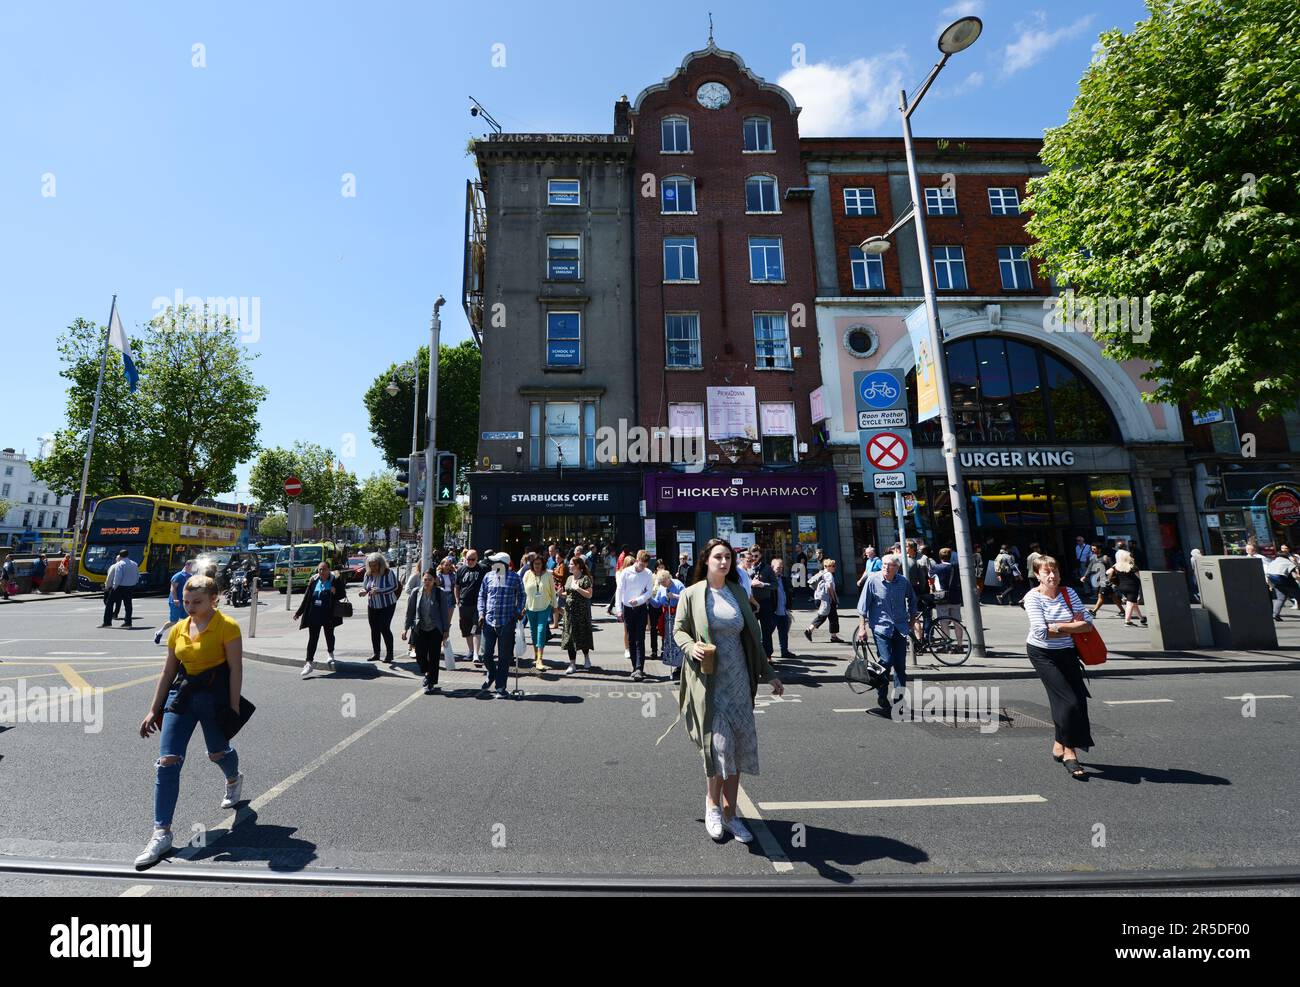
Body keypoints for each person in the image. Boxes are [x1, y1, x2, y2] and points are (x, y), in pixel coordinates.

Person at [672, 538, 784, 843]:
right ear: (706, 560)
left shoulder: (736, 592)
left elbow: (753, 637)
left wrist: (770, 674)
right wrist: (689, 645)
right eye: (718, 557)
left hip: (739, 682)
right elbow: (678, 629)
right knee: (719, 748)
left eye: (728, 558)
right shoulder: (692, 594)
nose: (724, 562)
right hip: (710, 683)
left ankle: (731, 814)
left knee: (738, 749)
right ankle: (712, 807)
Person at [134, 575, 245, 868]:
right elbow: (168, 671)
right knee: (167, 760)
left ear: (213, 599)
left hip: (214, 698)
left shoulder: (227, 627)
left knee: (217, 752)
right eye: (186, 601)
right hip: (182, 697)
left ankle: (233, 778)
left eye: (197, 602)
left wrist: (233, 707)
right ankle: (162, 832)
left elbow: (236, 668)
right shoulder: (178, 629)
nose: (190, 607)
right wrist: (153, 709)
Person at [1022, 556, 1096, 779]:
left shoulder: (1068, 593)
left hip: (1067, 652)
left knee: (1077, 699)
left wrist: (1058, 626)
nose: (1052, 576)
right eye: (1046, 572)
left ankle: (1058, 741)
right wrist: (1073, 626)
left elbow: (1088, 623)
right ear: (1037, 575)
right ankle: (1069, 752)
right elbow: (1040, 632)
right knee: (1068, 701)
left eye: (1054, 571)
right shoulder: (1032, 598)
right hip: (1042, 653)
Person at [857, 554, 917, 711]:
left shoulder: (903, 582)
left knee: (900, 667)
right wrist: (862, 628)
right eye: (884, 564)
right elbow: (862, 607)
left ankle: (899, 700)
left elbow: (912, 601)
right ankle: (881, 694)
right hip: (880, 629)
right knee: (886, 661)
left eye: (889, 565)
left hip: (900, 629)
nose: (885, 567)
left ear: (896, 567)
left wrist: (911, 621)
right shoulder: (872, 580)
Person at [478, 552, 526, 697]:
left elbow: (522, 594)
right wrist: (481, 613)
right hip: (489, 621)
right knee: (486, 655)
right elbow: (482, 595)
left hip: (507, 622)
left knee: (504, 657)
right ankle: (491, 673)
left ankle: (500, 687)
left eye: (495, 562)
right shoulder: (488, 576)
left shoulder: (514, 577)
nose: (492, 565)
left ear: (504, 564)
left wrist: (518, 610)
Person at [293, 561, 348, 677]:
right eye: (319, 569)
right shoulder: (313, 581)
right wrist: (299, 613)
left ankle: (330, 653)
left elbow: (342, 594)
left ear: (329, 570)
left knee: (329, 635)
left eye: (324, 569)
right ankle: (308, 663)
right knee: (312, 639)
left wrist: (335, 591)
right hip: (314, 614)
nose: (321, 572)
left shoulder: (335, 580)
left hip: (328, 615)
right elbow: (307, 598)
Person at [403, 568, 450, 694]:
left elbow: (444, 613)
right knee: (420, 655)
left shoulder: (440, 593)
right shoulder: (415, 592)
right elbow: (410, 612)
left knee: (434, 657)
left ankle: (430, 682)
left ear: (434, 580)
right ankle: (426, 672)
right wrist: (405, 629)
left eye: (430, 579)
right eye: (425, 579)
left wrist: (446, 630)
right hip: (420, 628)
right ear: (422, 580)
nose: (427, 582)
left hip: (436, 629)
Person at [616, 550, 655, 681]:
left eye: (645, 565)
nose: (643, 567)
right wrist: (619, 610)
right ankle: (634, 667)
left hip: (641, 608)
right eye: (641, 564)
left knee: (640, 638)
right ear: (637, 560)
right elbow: (619, 591)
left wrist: (638, 600)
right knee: (631, 639)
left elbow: (649, 592)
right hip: (627, 608)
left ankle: (639, 668)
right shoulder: (626, 572)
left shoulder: (648, 573)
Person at [359, 552, 400, 663]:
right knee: (374, 629)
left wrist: (379, 591)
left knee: (384, 628)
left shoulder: (388, 572)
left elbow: (395, 586)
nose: (373, 567)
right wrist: (363, 592)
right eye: (371, 565)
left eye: (375, 565)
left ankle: (389, 654)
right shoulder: (367, 574)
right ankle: (376, 653)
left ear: (380, 564)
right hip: (372, 605)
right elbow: (366, 587)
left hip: (387, 604)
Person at [453, 549, 490, 665]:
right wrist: (457, 600)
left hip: (478, 604)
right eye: (468, 559)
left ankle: (475, 654)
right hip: (464, 604)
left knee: (476, 628)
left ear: (477, 558)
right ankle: (471, 651)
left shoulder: (483, 569)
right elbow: (457, 586)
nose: (470, 562)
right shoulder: (461, 570)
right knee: (466, 629)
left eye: (472, 559)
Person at [561, 556, 595, 673]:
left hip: (581, 613)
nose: (569, 566)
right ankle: (572, 664)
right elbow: (568, 593)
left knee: (582, 635)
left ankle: (586, 658)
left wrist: (578, 588)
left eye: (571, 564)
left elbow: (589, 595)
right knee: (570, 637)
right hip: (569, 613)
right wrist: (561, 594)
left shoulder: (585, 578)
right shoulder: (569, 578)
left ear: (578, 566)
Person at [522, 553, 556, 671]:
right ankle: (536, 656)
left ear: (543, 564)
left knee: (541, 631)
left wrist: (555, 606)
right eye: (535, 564)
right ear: (531, 564)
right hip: (530, 607)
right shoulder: (527, 574)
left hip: (544, 606)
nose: (537, 566)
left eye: (539, 564)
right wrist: (522, 606)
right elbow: (522, 591)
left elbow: (553, 591)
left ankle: (540, 659)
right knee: (533, 631)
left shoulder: (548, 575)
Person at [652, 568, 686, 680]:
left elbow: (686, 598)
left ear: (668, 578)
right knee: (669, 641)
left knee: (678, 640)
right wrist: (649, 599)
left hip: (678, 615)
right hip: (667, 617)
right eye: (661, 583)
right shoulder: (662, 588)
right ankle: (675, 665)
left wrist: (675, 596)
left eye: (664, 582)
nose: (663, 585)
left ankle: (681, 666)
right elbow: (657, 604)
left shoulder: (678, 584)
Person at [928, 547, 965, 648]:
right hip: (955, 597)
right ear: (950, 556)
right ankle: (960, 645)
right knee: (957, 622)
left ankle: (947, 645)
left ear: (940, 557)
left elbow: (930, 579)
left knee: (944, 622)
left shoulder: (936, 567)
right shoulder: (956, 567)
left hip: (941, 597)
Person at [154, 560, 195, 646]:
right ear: (187, 565)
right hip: (176, 602)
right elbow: (173, 588)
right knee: (173, 621)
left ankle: (185, 638)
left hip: (186, 602)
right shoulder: (178, 576)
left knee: (188, 620)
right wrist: (175, 599)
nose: (194, 568)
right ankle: (159, 633)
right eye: (193, 566)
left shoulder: (191, 576)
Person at [805, 559, 844, 643]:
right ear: (827, 566)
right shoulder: (828, 574)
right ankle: (809, 630)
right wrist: (834, 599)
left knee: (832, 617)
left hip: (820, 598)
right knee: (823, 616)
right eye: (832, 566)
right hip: (827, 599)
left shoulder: (821, 572)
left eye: (834, 565)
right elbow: (830, 588)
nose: (834, 567)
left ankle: (834, 636)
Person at [749, 549, 777, 660]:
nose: (754, 558)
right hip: (751, 602)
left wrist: (763, 584)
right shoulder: (747, 567)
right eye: (752, 556)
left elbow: (775, 585)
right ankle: (754, 656)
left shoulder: (767, 568)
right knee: (752, 631)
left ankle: (768, 656)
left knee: (766, 630)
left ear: (760, 555)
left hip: (765, 602)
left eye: (756, 556)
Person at [101, 549, 140, 627]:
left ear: (120, 555)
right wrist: (134, 583)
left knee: (110, 604)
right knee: (128, 605)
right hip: (130, 586)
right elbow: (137, 576)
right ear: (127, 555)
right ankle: (128, 621)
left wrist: (114, 586)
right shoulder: (134, 564)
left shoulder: (120, 564)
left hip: (120, 587)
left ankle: (107, 622)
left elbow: (118, 577)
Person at [1108, 549, 1147, 626]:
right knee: (1130, 604)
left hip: (1121, 586)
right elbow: (1139, 576)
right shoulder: (1131, 565)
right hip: (1133, 587)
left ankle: (1142, 619)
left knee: (1133, 603)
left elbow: (1108, 572)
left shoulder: (1116, 565)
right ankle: (1127, 621)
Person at [767, 556, 796, 661]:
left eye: (782, 568)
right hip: (773, 611)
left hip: (783, 611)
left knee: (783, 633)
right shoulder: (769, 580)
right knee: (767, 633)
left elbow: (787, 593)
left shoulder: (783, 579)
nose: (780, 570)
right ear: (772, 568)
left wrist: (789, 606)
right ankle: (765, 653)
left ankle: (784, 651)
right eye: (778, 568)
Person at [1266, 546, 1300, 622]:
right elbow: (1295, 576)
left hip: (1275, 581)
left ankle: (1275, 615)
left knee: (1280, 599)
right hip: (1285, 581)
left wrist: (1271, 585)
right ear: (1287, 557)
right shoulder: (1288, 563)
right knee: (1298, 595)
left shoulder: (1272, 562)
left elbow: (1268, 574)